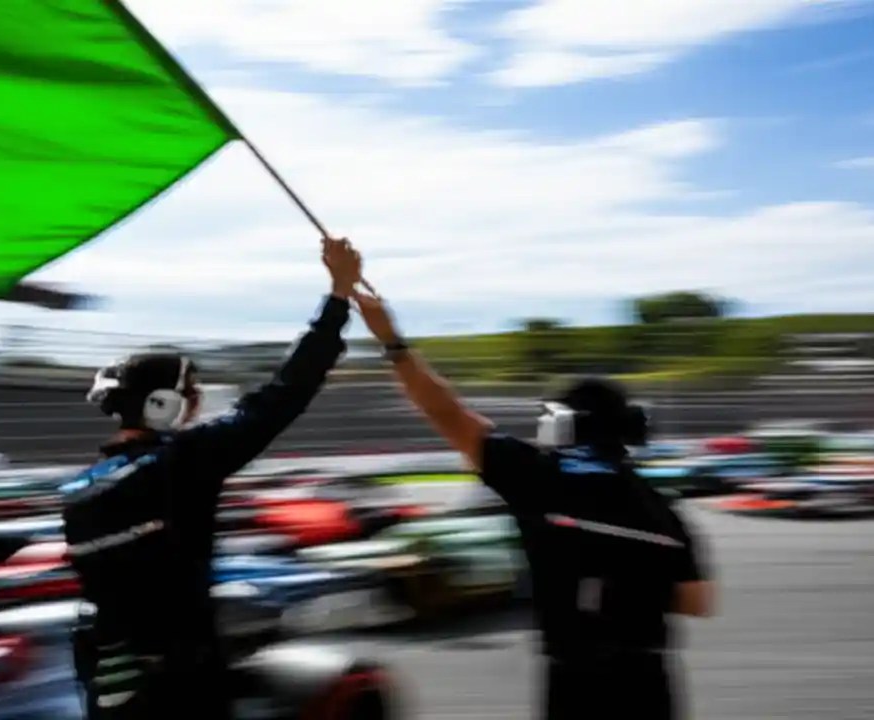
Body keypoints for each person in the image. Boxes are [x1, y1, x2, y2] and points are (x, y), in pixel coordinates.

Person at [349, 287, 714, 720]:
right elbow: (696, 602)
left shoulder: (537, 476)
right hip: (649, 683)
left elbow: (445, 410)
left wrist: (391, 338)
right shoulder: (661, 507)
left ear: (564, 425)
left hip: (575, 682)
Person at [60, 238, 363, 719]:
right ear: (163, 405)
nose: (198, 401)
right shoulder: (184, 461)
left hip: (109, 683)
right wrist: (338, 297)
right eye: (192, 392)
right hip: (183, 683)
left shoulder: (76, 491)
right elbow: (283, 395)